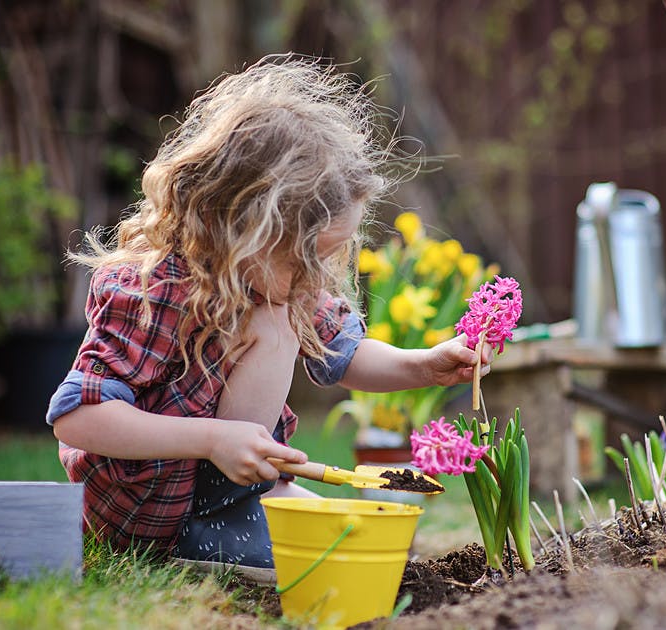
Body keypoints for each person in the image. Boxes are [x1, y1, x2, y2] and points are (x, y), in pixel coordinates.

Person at [45, 56, 489, 568]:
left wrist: (423, 366)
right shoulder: (154, 290)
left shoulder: (276, 283)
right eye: (307, 258)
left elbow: (344, 354)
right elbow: (77, 417)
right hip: (145, 507)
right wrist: (213, 440)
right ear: (241, 231)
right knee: (274, 327)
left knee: (347, 545)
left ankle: (236, 514)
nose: (319, 277)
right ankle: (211, 531)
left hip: (225, 487)